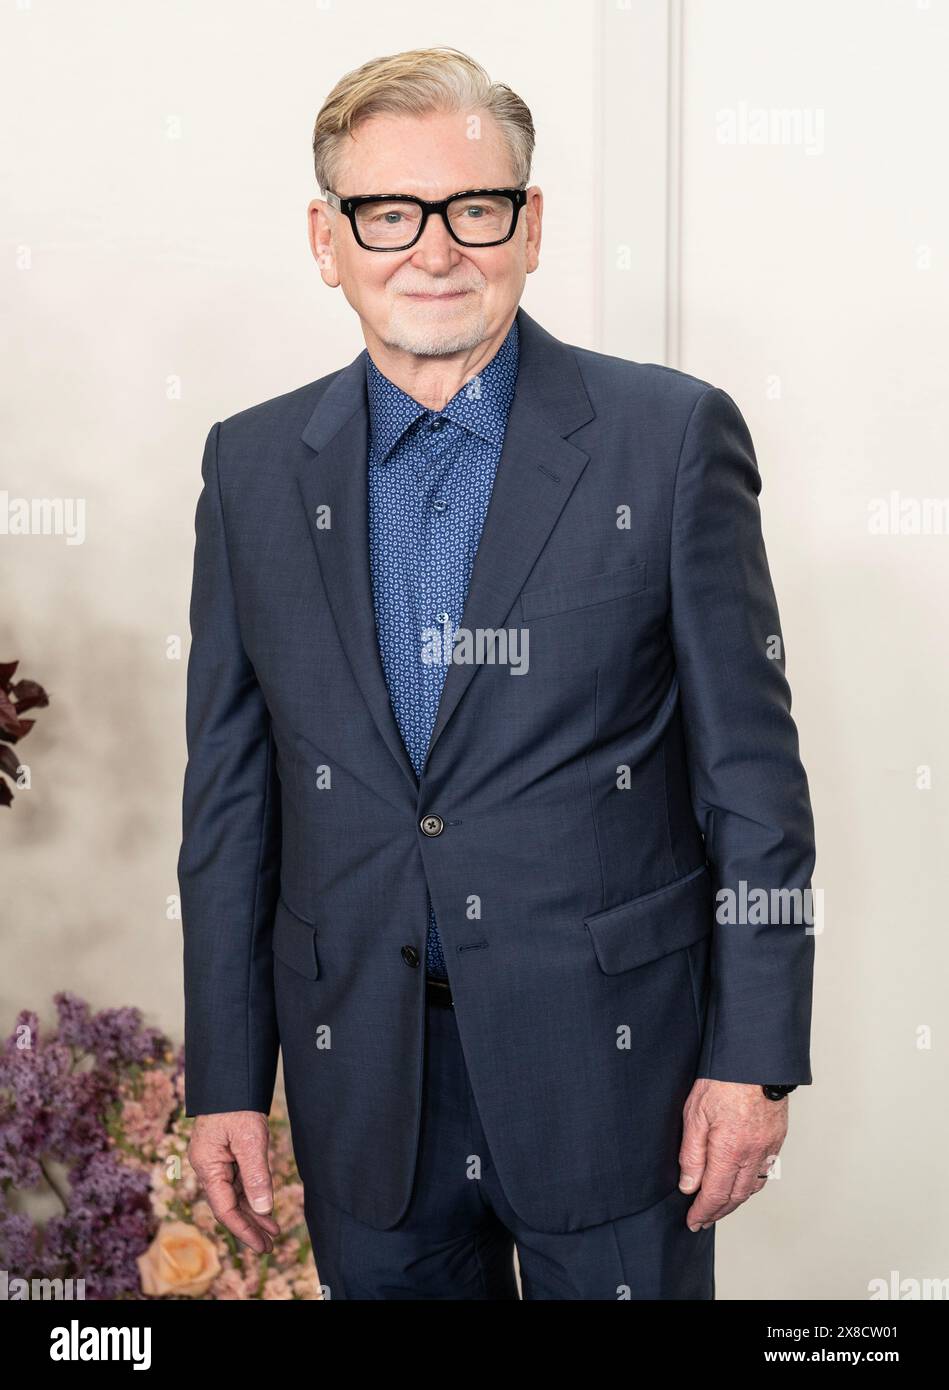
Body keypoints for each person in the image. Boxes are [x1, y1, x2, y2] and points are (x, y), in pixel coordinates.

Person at [178, 46, 816, 1300]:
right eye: (386, 212)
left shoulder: (670, 440)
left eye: (475, 208)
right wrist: (224, 1081)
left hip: (616, 1077)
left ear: (530, 228)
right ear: (326, 239)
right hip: (362, 1080)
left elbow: (756, 792)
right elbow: (229, 807)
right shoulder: (250, 469)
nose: (433, 249)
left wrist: (754, 1062)